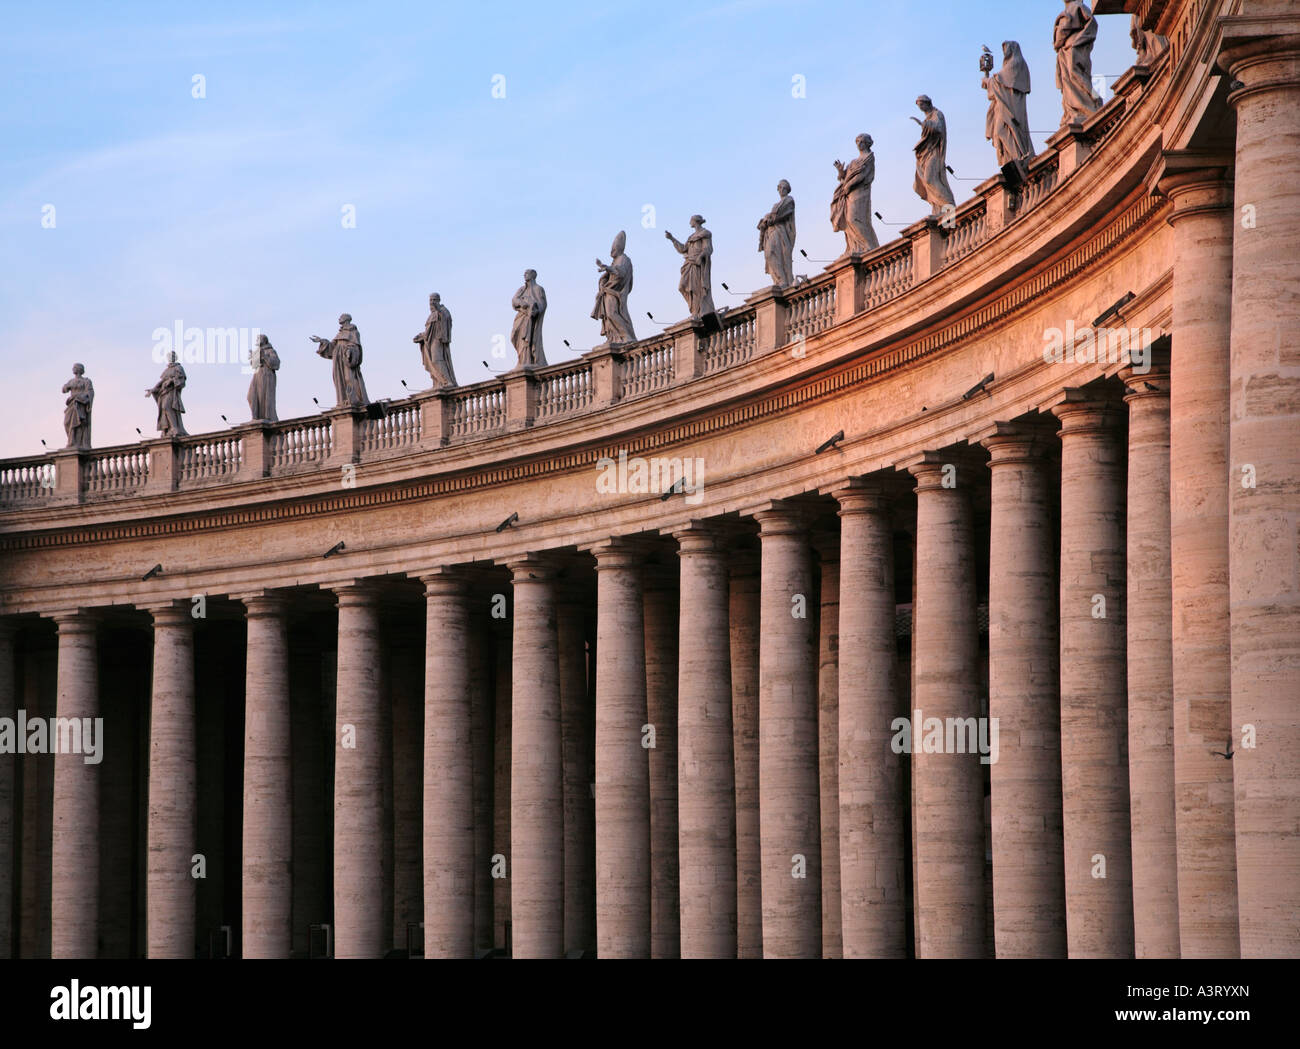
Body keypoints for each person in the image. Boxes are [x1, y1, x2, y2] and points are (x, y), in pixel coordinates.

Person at [983, 42, 1034, 169]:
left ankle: (1017, 156)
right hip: (1004, 105)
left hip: (1012, 107)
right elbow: (999, 84)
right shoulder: (1010, 65)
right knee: (1000, 131)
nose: (1005, 53)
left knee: (1002, 130)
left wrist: (988, 81)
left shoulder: (1016, 63)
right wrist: (988, 78)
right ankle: (1011, 158)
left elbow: (1000, 81)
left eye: (1006, 49)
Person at [1054, 0, 1103, 126]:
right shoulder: (1071, 9)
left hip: (1074, 50)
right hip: (1067, 51)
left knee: (1075, 76)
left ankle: (1087, 106)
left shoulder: (1077, 7)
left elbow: (1065, 28)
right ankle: (1074, 109)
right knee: (1068, 80)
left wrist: (1078, 41)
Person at [831, 134, 881, 255]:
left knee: (854, 218)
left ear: (868, 143)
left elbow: (863, 175)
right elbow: (843, 178)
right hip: (848, 194)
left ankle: (869, 246)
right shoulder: (854, 161)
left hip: (860, 192)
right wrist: (840, 172)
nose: (859, 144)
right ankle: (855, 247)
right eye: (857, 142)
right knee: (848, 221)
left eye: (862, 141)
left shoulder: (869, 157)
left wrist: (849, 185)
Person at [311, 313, 369, 407]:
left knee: (348, 378)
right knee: (339, 380)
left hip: (347, 358)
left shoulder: (353, 332)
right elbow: (332, 346)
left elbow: (356, 346)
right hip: (338, 360)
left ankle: (354, 400)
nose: (339, 318)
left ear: (346, 319)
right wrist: (321, 340)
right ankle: (344, 401)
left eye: (341, 317)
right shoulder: (340, 333)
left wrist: (350, 351)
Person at [665, 215, 716, 320]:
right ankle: (694, 309)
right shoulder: (691, 237)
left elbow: (708, 249)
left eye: (691, 221)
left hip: (698, 264)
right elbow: (683, 249)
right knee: (682, 287)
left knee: (696, 288)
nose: (689, 223)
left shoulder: (705, 234)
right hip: (689, 263)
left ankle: (697, 312)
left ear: (695, 221)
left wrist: (700, 257)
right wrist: (672, 238)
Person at [911, 95, 956, 215]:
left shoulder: (937, 114)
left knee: (930, 179)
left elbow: (939, 129)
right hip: (925, 154)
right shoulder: (927, 118)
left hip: (935, 153)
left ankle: (949, 207)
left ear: (928, 103)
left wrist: (924, 125)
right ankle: (939, 209)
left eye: (922, 104)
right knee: (927, 181)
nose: (921, 107)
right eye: (919, 106)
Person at [592, 231, 637, 345]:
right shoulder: (615, 261)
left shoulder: (624, 259)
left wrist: (606, 267)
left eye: (614, 248)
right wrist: (603, 279)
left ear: (619, 247)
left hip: (616, 293)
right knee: (608, 315)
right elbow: (606, 277)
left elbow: (620, 273)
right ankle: (613, 337)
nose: (611, 250)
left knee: (612, 313)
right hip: (608, 292)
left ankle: (626, 336)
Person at [758, 180, 796, 288]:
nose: (781, 190)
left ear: (787, 189)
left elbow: (780, 214)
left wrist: (768, 218)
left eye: (783, 187)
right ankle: (779, 279)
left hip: (780, 233)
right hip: (772, 232)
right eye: (779, 187)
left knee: (771, 253)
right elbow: (774, 216)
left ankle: (783, 280)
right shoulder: (776, 204)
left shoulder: (789, 200)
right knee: (770, 254)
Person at [414, 292, 456, 388]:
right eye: (431, 300)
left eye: (434, 300)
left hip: (438, 339)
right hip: (430, 340)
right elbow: (428, 331)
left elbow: (446, 320)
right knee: (432, 361)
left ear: (439, 300)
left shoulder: (443, 311)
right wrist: (421, 336)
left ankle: (448, 381)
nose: (432, 302)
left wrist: (438, 310)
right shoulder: (431, 315)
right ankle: (438, 382)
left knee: (437, 360)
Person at [510, 269, 547, 370]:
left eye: (527, 273)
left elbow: (542, 304)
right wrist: (522, 303)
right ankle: (521, 360)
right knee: (514, 336)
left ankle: (528, 360)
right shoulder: (522, 289)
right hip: (521, 317)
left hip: (530, 319)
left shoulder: (539, 289)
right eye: (524, 273)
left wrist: (535, 309)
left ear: (533, 275)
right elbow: (514, 300)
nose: (524, 275)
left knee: (528, 338)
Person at [146, 351, 188, 436]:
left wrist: (172, 381)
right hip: (164, 393)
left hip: (172, 392)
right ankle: (168, 428)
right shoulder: (167, 370)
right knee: (163, 409)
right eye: (169, 356)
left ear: (175, 357)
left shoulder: (178, 367)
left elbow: (181, 380)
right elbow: (161, 381)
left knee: (167, 406)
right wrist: (153, 389)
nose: (170, 358)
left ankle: (174, 427)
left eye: (172, 356)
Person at [247, 334, 280, 422]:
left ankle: (265, 418)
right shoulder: (257, 351)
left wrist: (265, 356)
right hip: (257, 375)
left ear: (264, 340)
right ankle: (255, 417)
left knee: (263, 397)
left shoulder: (270, 351)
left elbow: (276, 364)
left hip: (266, 375)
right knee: (251, 396)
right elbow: (254, 365)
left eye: (259, 338)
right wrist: (253, 358)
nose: (257, 340)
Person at [62, 363, 94, 450]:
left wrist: (80, 397)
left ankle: (74, 442)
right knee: (67, 423)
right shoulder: (71, 381)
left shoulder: (86, 381)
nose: (73, 369)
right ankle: (71, 440)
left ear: (80, 369)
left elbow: (90, 393)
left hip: (80, 404)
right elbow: (64, 390)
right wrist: (67, 387)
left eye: (75, 367)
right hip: (71, 404)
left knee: (78, 423)